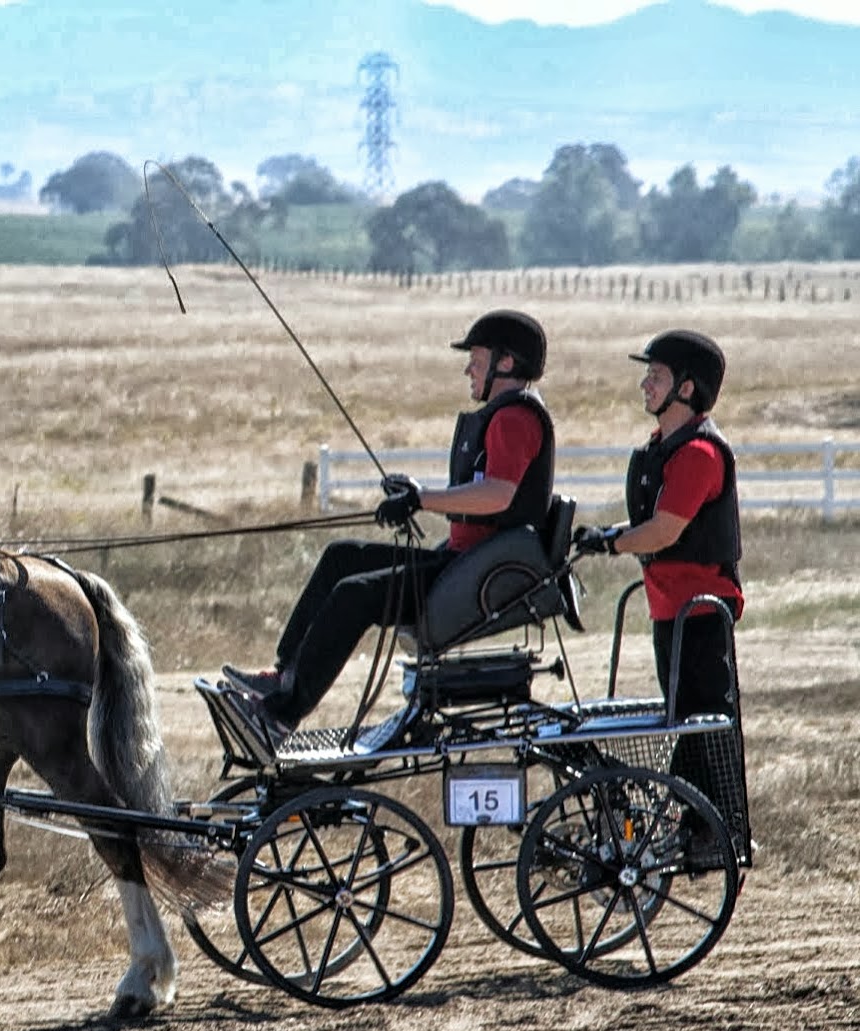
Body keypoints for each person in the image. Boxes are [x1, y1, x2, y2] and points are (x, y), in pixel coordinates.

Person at [223, 309, 556, 743]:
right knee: (341, 557)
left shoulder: (515, 418)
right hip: (461, 563)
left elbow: (498, 494)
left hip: (475, 575)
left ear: (505, 363)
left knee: (354, 595)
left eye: (476, 360)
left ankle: (282, 716)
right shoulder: (504, 414)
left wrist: (421, 499)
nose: (468, 370)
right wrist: (416, 494)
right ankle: (283, 674)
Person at [572, 329, 749, 866]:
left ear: (687, 388)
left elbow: (666, 530)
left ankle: (719, 832)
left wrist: (611, 542)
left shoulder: (697, 453)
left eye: (657, 375)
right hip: (670, 605)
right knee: (686, 718)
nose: (645, 384)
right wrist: (609, 535)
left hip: (699, 608)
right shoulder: (663, 449)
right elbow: (654, 524)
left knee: (705, 722)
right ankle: (698, 826)